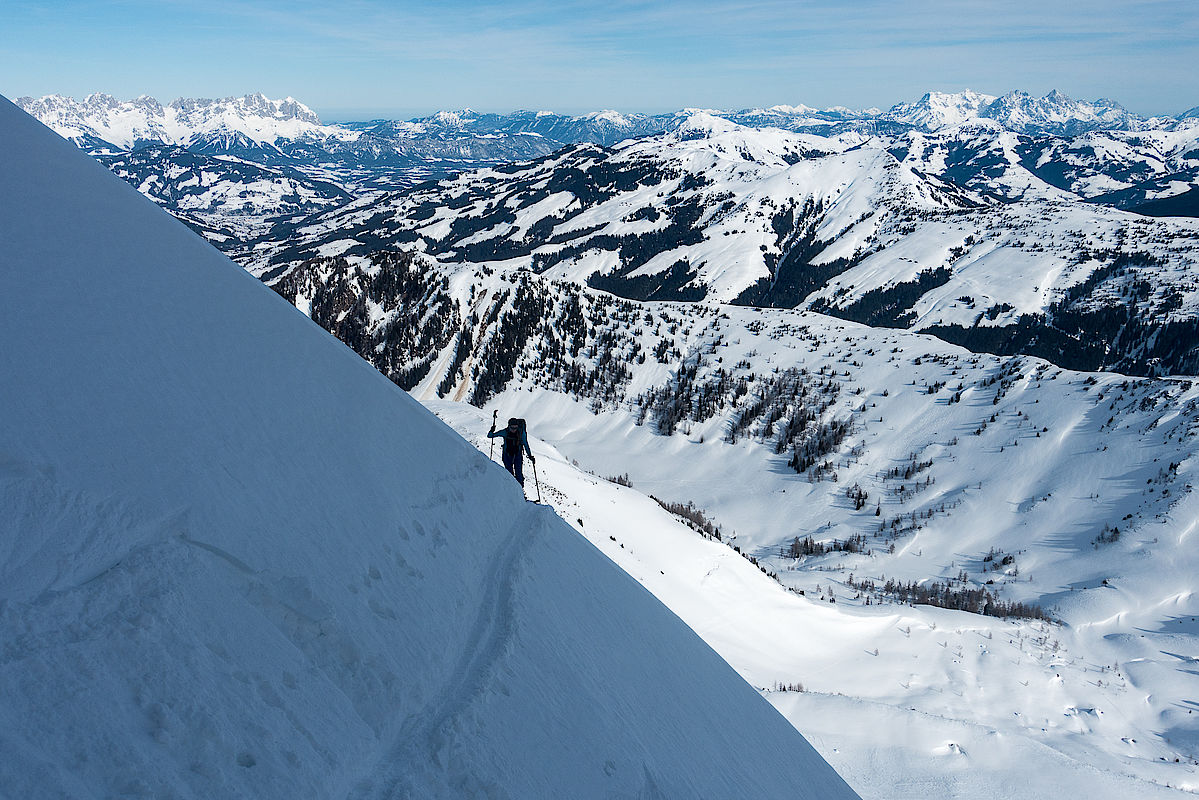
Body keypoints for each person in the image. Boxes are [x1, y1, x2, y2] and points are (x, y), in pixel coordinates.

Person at [488, 417, 535, 486]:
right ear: (509, 426)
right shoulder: (505, 432)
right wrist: (491, 430)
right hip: (507, 455)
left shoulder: (521, 433)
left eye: (515, 428)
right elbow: (490, 436)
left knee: (518, 473)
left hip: (517, 455)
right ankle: (511, 488)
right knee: (509, 474)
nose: (514, 430)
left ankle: (520, 489)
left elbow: (526, 444)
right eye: (512, 428)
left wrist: (530, 455)